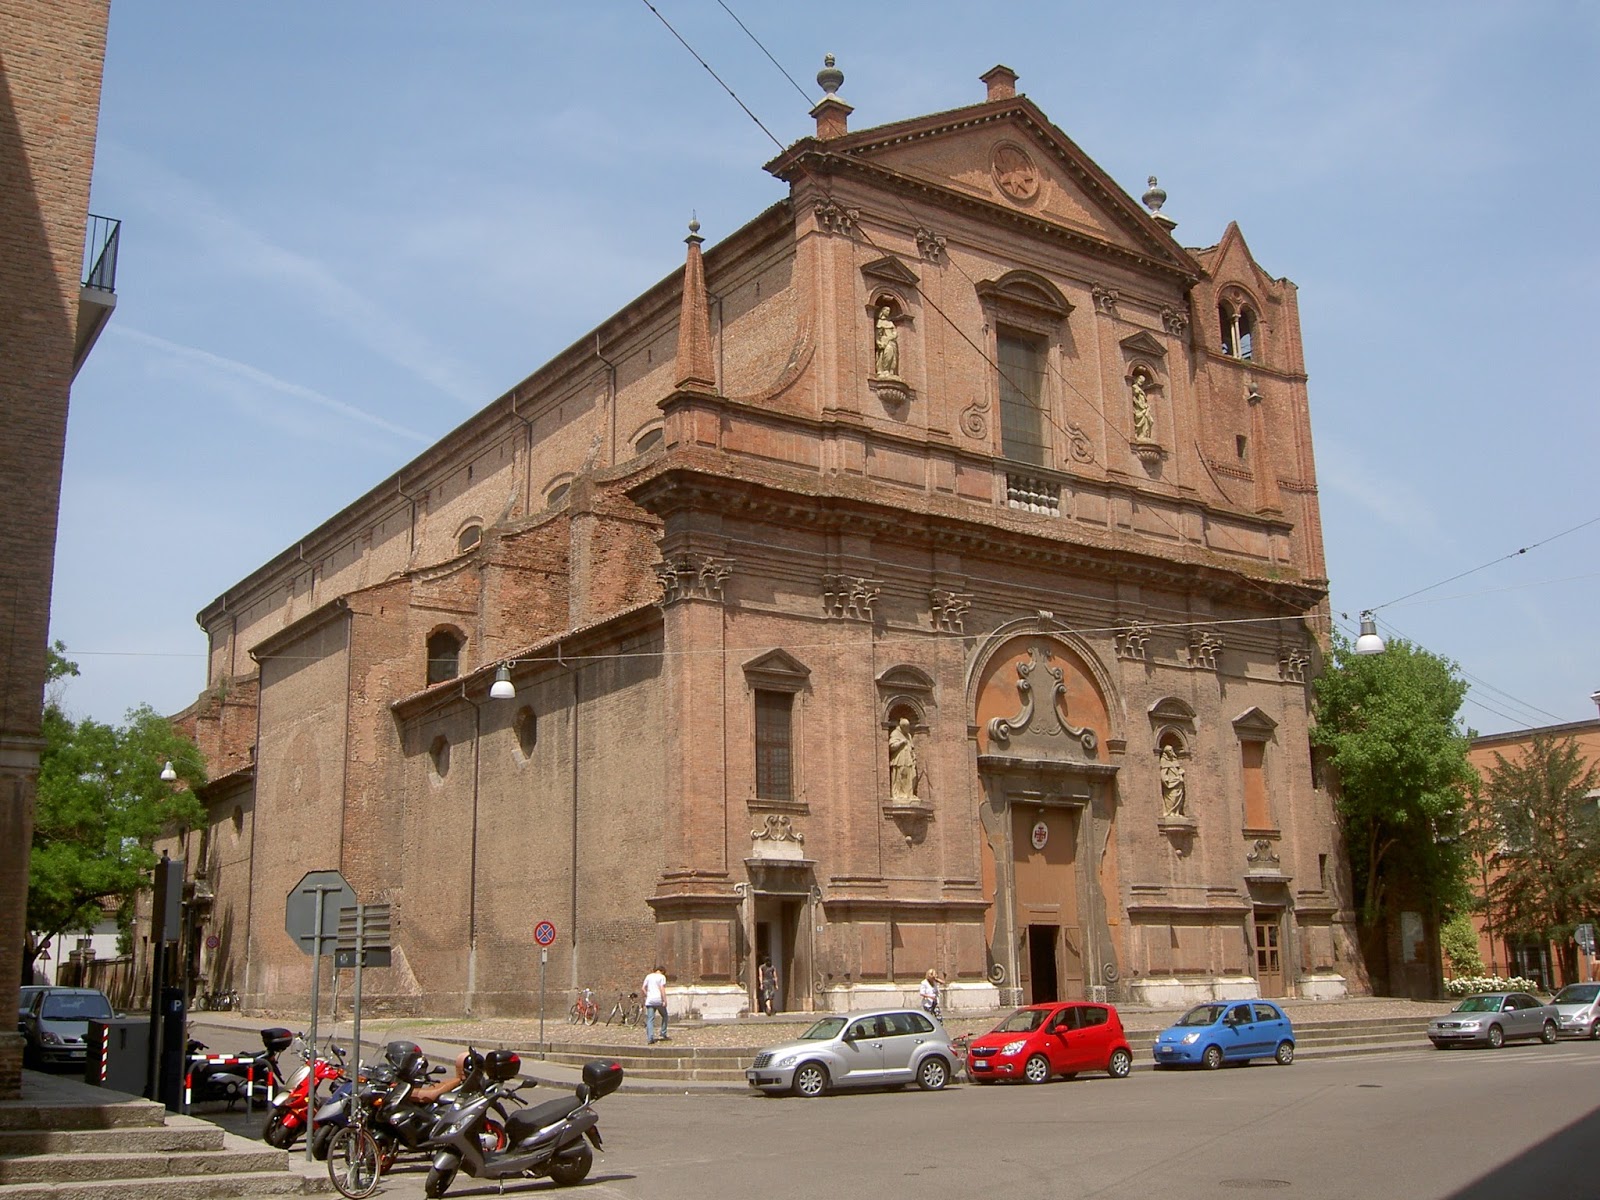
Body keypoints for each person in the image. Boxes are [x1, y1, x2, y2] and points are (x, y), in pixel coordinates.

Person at [889, 716, 917, 800]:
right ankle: (899, 794)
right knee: (899, 775)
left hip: (908, 759)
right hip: (899, 759)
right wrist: (901, 742)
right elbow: (891, 746)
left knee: (911, 775)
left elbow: (911, 748)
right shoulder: (895, 733)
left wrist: (914, 758)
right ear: (902, 727)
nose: (908, 729)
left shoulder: (908, 735)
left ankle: (909, 794)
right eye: (906, 727)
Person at [642, 964, 668, 1044]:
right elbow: (662, 989)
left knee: (650, 1019)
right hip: (658, 1000)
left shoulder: (648, 976)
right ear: (662, 971)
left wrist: (648, 995)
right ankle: (663, 1033)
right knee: (665, 1015)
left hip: (650, 1000)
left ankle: (650, 1037)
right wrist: (665, 1000)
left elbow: (643, 988)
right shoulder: (662, 977)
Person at [1159, 744, 1186, 817]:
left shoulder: (1174, 760)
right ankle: (1170, 812)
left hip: (1178, 782)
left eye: (1172, 750)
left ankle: (1176, 812)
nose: (1171, 752)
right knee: (1172, 798)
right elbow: (1163, 774)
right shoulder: (1164, 761)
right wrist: (1167, 781)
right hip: (1171, 784)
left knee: (1178, 797)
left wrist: (1181, 771)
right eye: (1169, 751)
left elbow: (1178, 769)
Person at [874, 306, 900, 377]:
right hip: (884, 342)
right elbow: (878, 334)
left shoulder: (891, 323)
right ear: (883, 311)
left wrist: (891, 337)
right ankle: (884, 370)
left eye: (889, 311)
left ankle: (891, 371)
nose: (888, 312)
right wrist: (879, 342)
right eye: (886, 310)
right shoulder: (880, 322)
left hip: (892, 341)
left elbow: (895, 333)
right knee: (886, 354)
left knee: (893, 357)